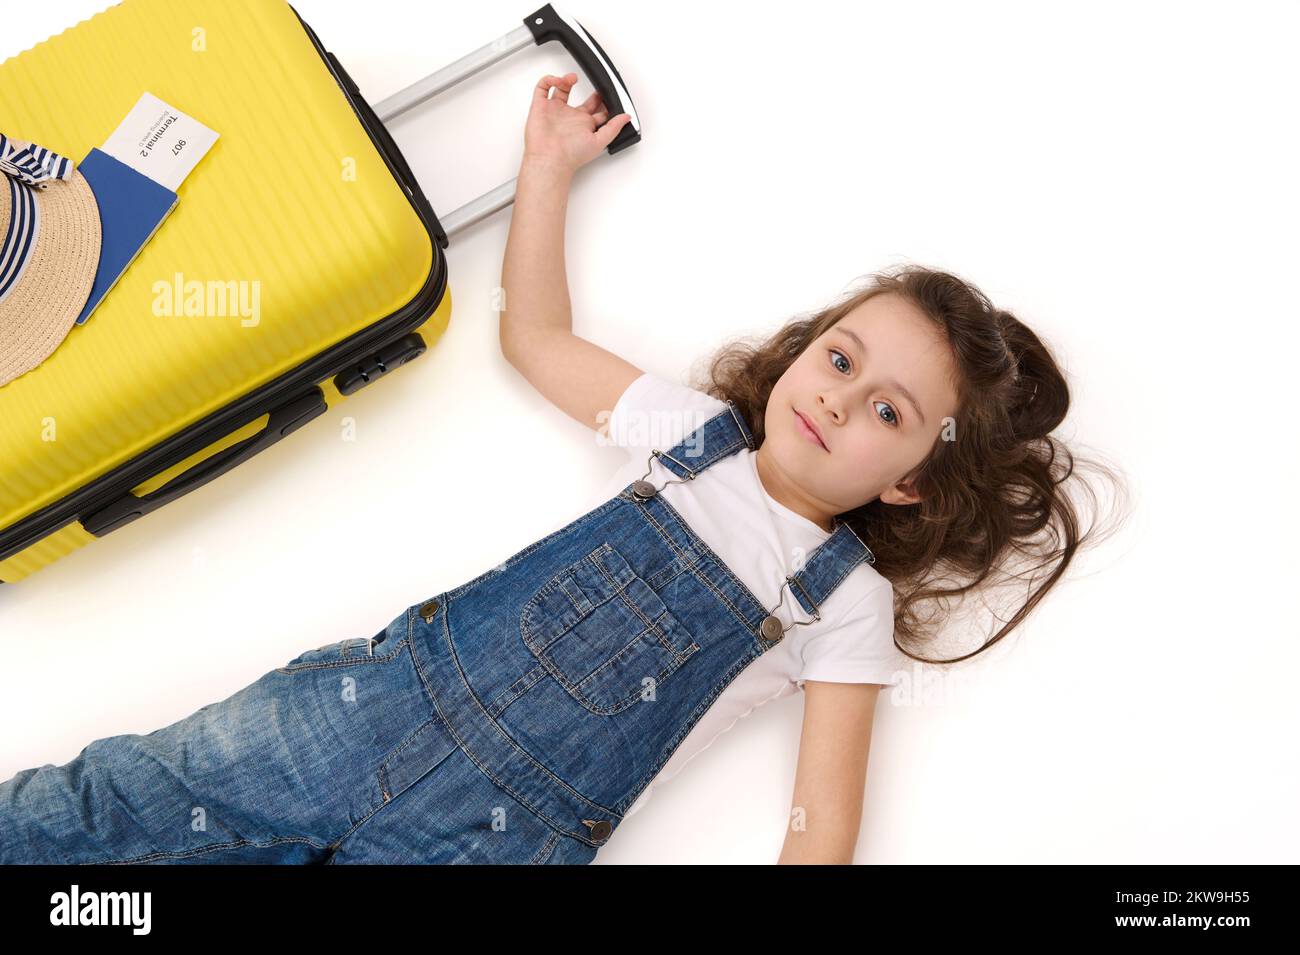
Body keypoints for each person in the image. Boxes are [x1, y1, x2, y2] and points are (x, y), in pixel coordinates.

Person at [0, 73, 1123, 865]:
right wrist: (547, 170)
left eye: (887, 407)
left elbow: (819, 826)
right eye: (839, 356)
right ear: (799, 353)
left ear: (910, 483)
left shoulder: (847, 604)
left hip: (496, 841)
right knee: (115, 813)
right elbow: (535, 338)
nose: (836, 395)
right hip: (358, 714)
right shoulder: (690, 433)